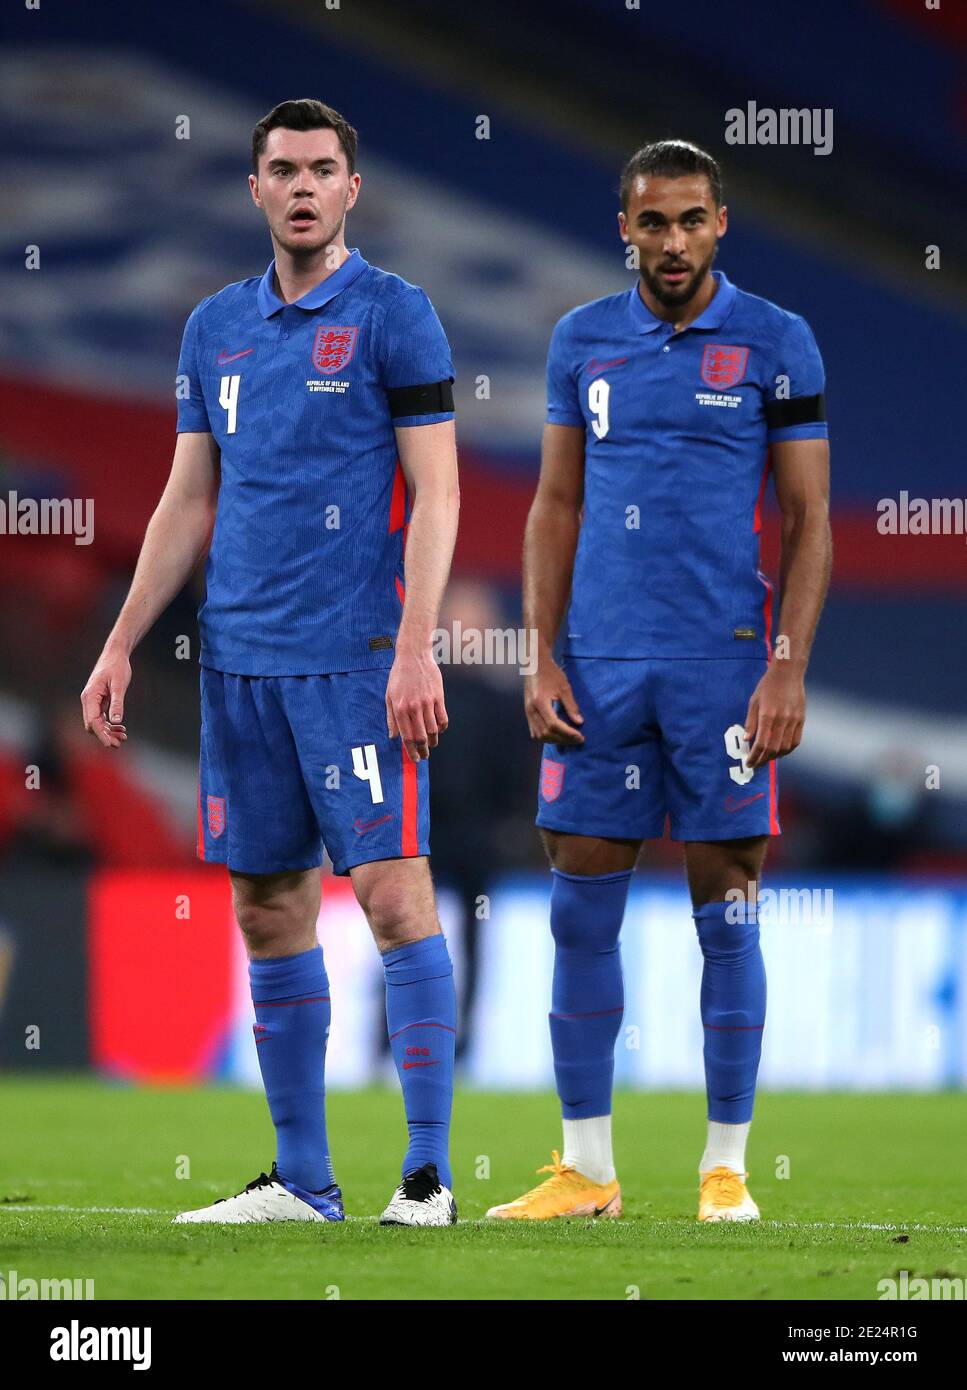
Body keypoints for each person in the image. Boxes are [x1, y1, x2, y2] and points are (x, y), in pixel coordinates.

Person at [81, 99, 460, 1228]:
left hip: (351, 661)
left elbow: (437, 491)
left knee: (393, 896)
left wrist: (413, 646)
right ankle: (304, 1181)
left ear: (352, 188)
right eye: (282, 169)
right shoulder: (214, 329)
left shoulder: (398, 316)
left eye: (322, 169)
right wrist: (120, 638)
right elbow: (188, 495)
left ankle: (429, 1178)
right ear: (255, 190)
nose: (302, 186)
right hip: (237, 663)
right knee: (265, 907)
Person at [488, 140, 831, 1223]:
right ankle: (586, 1170)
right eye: (652, 223)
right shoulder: (580, 340)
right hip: (597, 668)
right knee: (577, 918)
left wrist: (786, 664)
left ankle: (724, 1171)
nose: (671, 241)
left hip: (724, 671)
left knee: (726, 917)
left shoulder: (778, 341)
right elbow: (552, 504)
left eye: (690, 220)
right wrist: (539, 652)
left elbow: (811, 518)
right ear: (623, 229)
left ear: (720, 223)